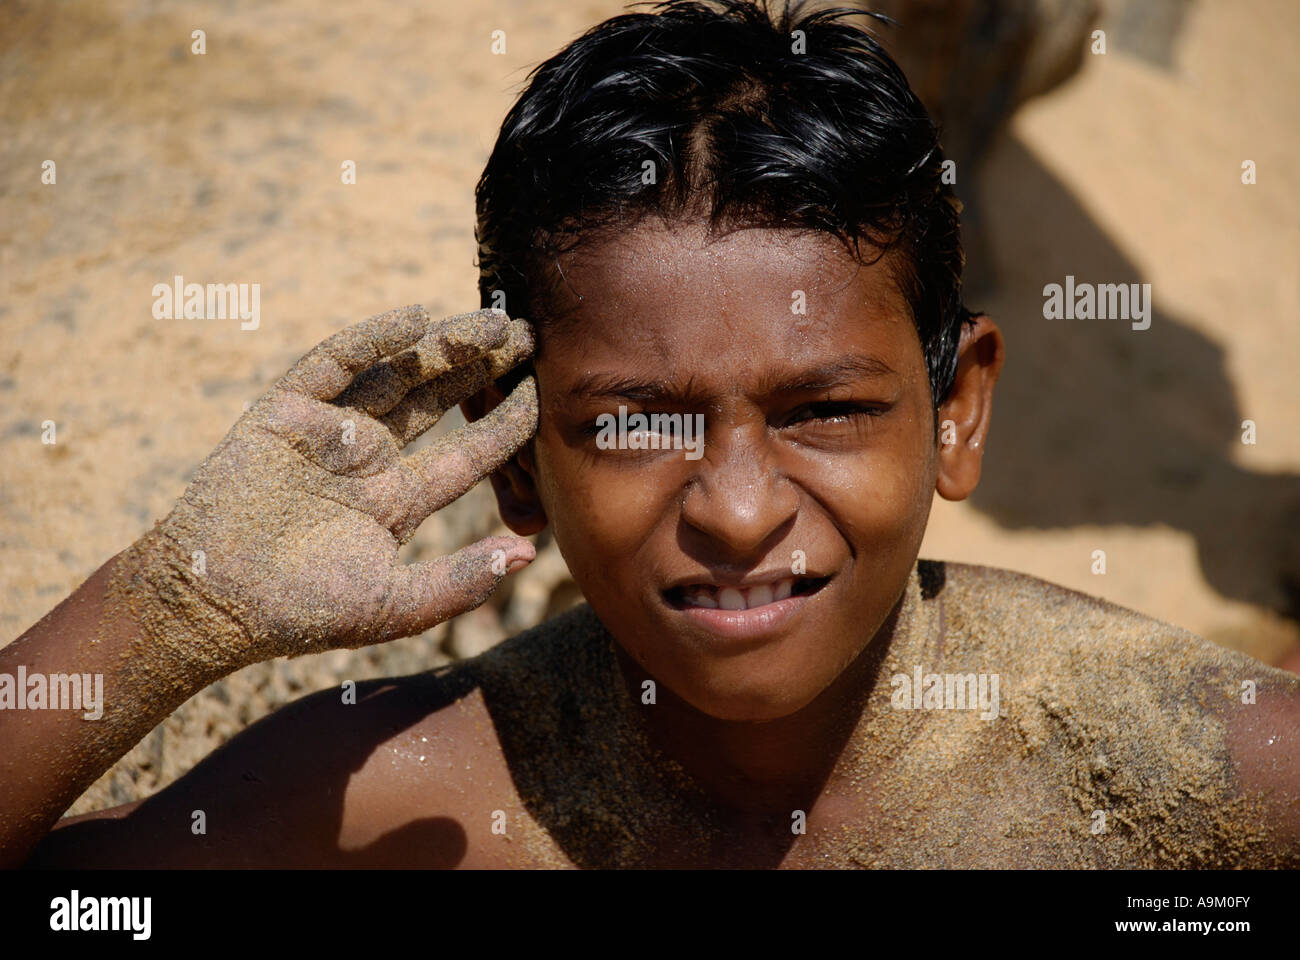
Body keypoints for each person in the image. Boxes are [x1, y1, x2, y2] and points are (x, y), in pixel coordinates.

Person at [4, 0, 1296, 869]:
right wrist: (169, 607)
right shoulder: (424, 796)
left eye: (825, 410)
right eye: (634, 424)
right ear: (517, 463)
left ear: (957, 413)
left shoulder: (1185, 770)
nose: (737, 510)